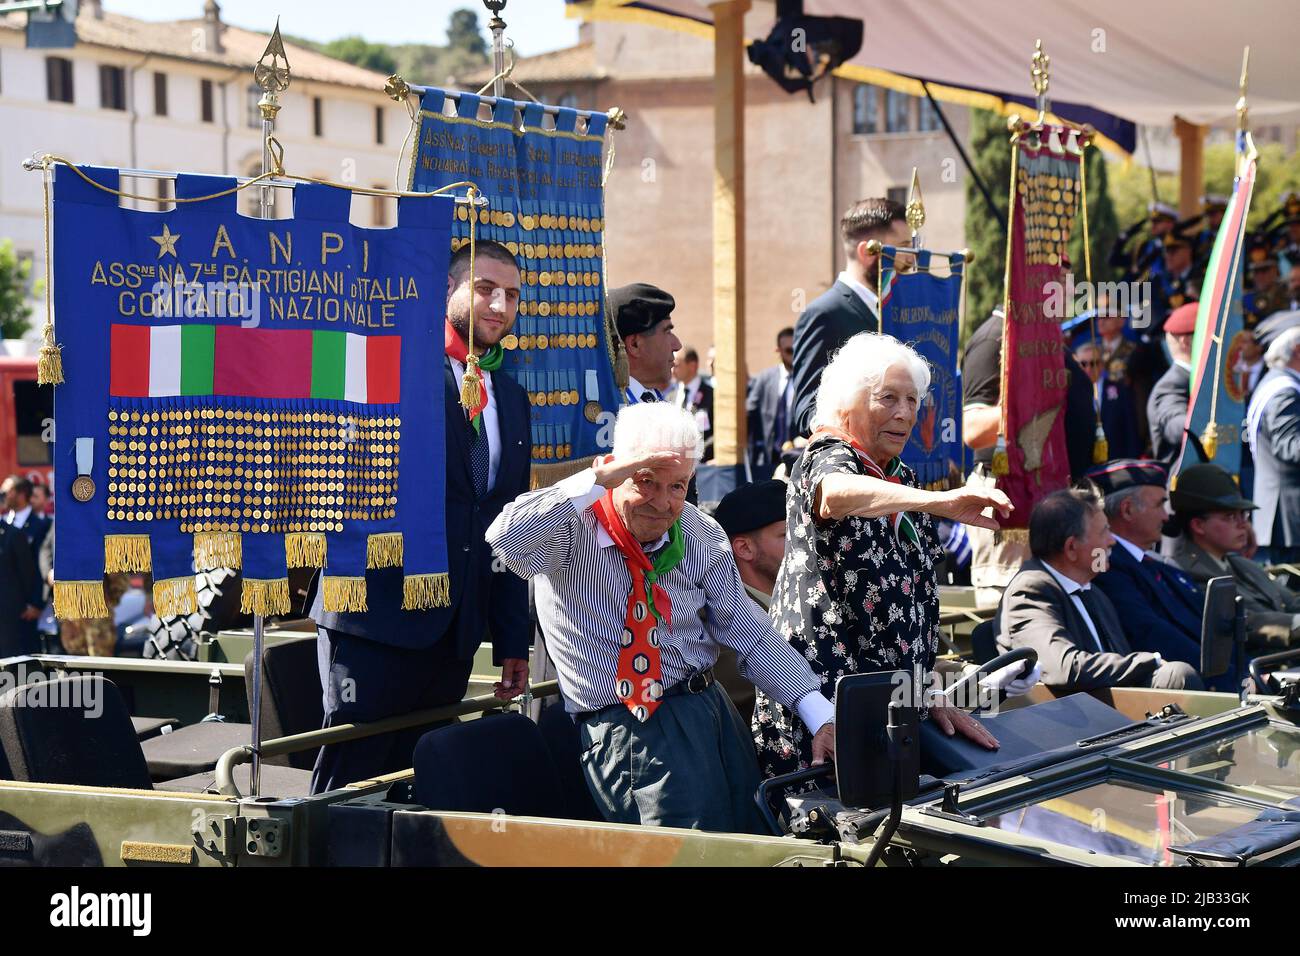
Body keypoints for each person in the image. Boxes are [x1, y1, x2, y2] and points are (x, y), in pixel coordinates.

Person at [487, 403, 836, 834]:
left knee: (752, 840)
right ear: (616, 470)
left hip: (709, 710)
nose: (663, 503)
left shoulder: (697, 531)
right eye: (646, 481)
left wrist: (819, 714)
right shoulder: (571, 526)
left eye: (678, 486)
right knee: (688, 853)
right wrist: (597, 479)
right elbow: (505, 537)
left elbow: (746, 629)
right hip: (631, 727)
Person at [306, 240, 532, 794]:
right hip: (374, 621)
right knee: (350, 788)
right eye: (485, 289)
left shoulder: (511, 396)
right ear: (446, 289)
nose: (499, 306)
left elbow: (507, 525)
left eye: (511, 295)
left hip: (454, 633)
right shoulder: (392, 369)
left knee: (423, 787)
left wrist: (511, 640)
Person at [755, 332, 1017, 779]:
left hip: (894, 703)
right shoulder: (827, 454)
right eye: (888, 398)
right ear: (847, 402)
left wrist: (929, 690)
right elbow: (835, 495)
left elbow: (914, 602)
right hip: (827, 709)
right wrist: (937, 501)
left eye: (912, 400)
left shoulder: (900, 475)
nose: (905, 413)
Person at [995, 488, 1202, 693]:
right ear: (1071, 548)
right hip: (1064, 712)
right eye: (1104, 532)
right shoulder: (1031, 590)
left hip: (1104, 705)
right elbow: (1064, 667)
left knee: (1176, 676)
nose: (1112, 541)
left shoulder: (1094, 592)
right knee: (1177, 674)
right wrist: (1150, 661)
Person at [960, 310, 1099, 608]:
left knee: (1060, 610)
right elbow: (973, 431)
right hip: (1012, 498)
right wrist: (1023, 403)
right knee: (1012, 607)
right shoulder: (993, 339)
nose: (1064, 289)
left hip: (1056, 497)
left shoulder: (1047, 337)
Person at [791, 198, 910, 436]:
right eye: (903, 249)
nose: (911, 260)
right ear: (867, 253)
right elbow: (807, 412)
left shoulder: (898, 310)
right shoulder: (825, 314)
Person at [1166, 463, 1300, 650]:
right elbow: (1238, 621)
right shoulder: (1186, 572)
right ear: (1198, 525)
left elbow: (1291, 601)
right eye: (1230, 516)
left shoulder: (1240, 564)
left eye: (1242, 515)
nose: (1242, 524)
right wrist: (1295, 624)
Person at [1087, 460, 1205, 670]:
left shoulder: (1154, 564)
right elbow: (1149, 633)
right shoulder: (1108, 566)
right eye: (1159, 505)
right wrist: (1228, 674)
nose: (1166, 516)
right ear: (1127, 510)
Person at [711, 478, 789, 720]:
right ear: (744, 548)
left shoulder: (806, 600)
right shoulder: (723, 622)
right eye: (787, 535)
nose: (803, 544)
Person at [1245, 321, 1300, 565]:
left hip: (1284, 516)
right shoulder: (1285, 391)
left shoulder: (1275, 382)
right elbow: (1288, 446)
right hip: (1289, 517)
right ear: (1297, 350)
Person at [610, 283, 682, 405]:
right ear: (634, 345)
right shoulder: (609, 407)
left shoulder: (653, 399)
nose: (677, 345)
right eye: (667, 331)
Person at [1146, 302, 1198, 466]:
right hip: (1188, 479)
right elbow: (1175, 427)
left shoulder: (1196, 379)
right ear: (1186, 342)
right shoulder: (1171, 386)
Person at [1075, 340, 1142, 460]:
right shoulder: (1071, 395)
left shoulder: (1120, 390)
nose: (1088, 368)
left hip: (1117, 461)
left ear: (1101, 365)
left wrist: (1133, 461)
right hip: (1085, 464)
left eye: (1094, 363)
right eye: (1083, 364)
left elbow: (1131, 429)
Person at [747, 326, 796, 479]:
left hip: (796, 456)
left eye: (796, 349)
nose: (794, 355)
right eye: (789, 350)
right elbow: (749, 411)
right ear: (778, 350)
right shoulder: (765, 378)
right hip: (768, 457)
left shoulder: (806, 379)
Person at [0, 518, 42, 658]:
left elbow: (27, 574)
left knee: (14, 664)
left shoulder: (13, 534)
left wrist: (31, 603)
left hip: (10, 619)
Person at [671, 345, 714, 462]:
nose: (672, 370)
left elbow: (718, 433)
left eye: (676, 365)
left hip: (703, 465)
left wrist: (694, 454)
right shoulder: (670, 397)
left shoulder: (712, 395)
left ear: (692, 366)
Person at [2, 475, 52, 555]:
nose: (4, 495)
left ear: (22, 495)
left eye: (8, 491)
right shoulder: (3, 521)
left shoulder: (42, 525)